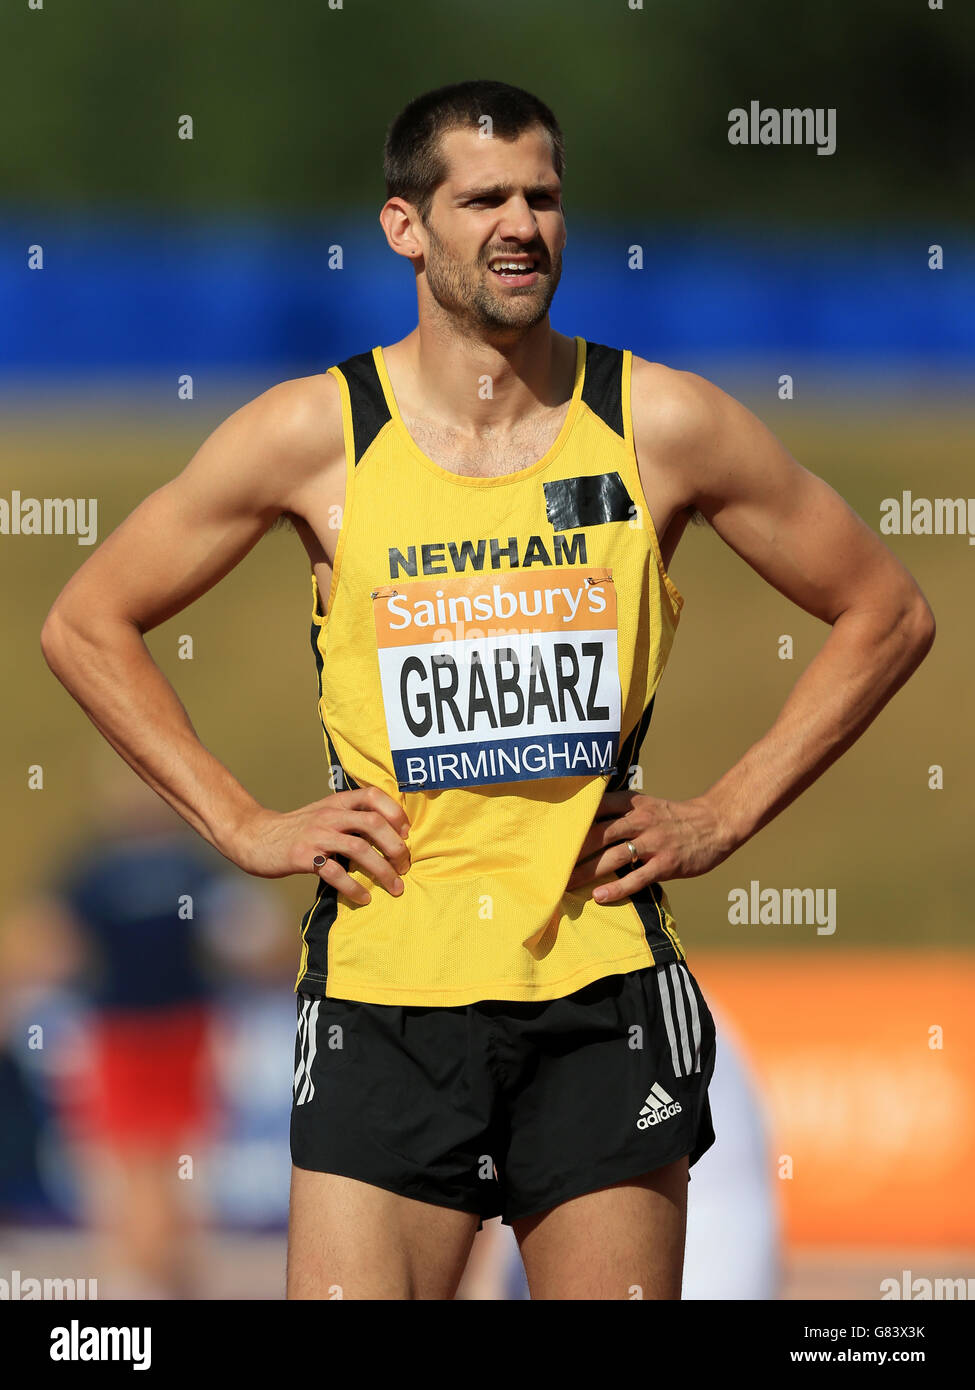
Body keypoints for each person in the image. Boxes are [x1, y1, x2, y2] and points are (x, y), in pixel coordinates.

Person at [40, 79, 935, 1300]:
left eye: (544, 197)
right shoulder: (317, 434)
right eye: (484, 199)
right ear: (406, 226)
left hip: (598, 995)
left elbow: (885, 610)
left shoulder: (657, 421)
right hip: (384, 998)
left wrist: (722, 814)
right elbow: (88, 621)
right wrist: (243, 825)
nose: (522, 223)